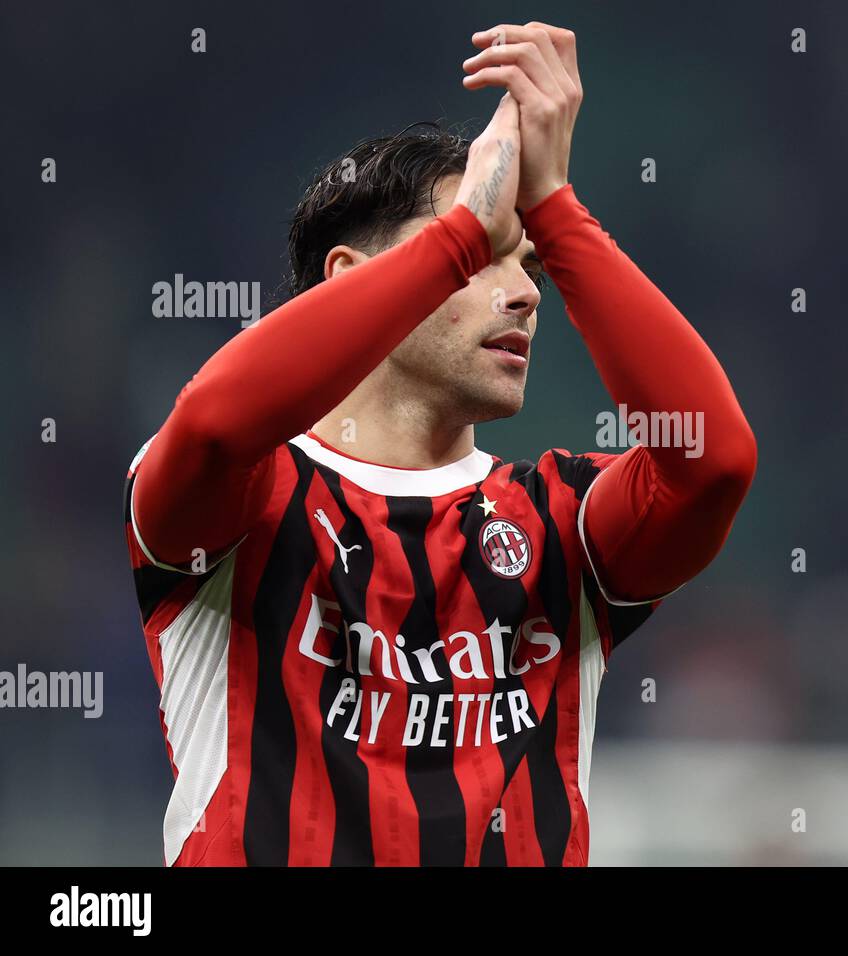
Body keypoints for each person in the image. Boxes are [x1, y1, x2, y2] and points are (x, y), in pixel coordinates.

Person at [123, 22, 755, 866]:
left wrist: (558, 209)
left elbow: (712, 463)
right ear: (350, 278)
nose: (527, 293)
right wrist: (461, 236)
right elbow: (210, 423)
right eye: (492, 257)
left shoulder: (560, 524)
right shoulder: (250, 492)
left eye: (531, 262)